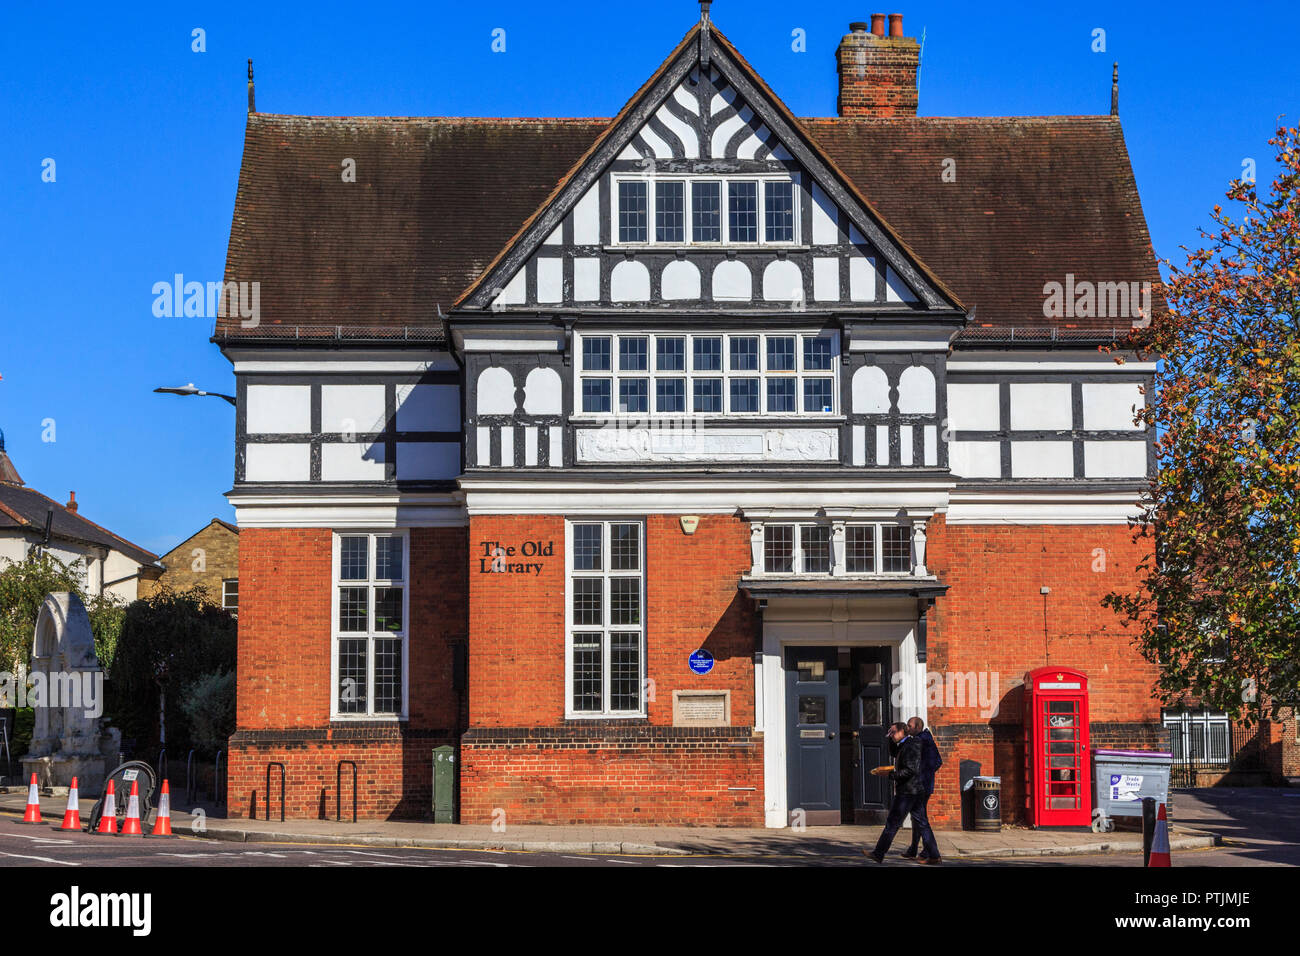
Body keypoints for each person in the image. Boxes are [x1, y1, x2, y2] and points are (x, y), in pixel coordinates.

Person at [865, 721, 941, 864]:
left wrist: (890, 775)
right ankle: (935, 855)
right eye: (890, 733)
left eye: (893, 732)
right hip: (914, 791)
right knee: (922, 823)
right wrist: (889, 738)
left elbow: (911, 770)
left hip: (908, 792)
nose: (891, 735)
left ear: (902, 732)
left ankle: (878, 853)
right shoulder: (905, 744)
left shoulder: (912, 745)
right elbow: (893, 751)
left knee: (892, 823)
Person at [901, 716, 943, 859]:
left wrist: (921, 775)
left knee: (920, 818)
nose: (907, 728)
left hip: (921, 786)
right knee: (917, 817)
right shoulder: (924, 739)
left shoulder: (922, 740)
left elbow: (936, 762)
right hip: (924, 784)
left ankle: (927, 850)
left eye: (910, 726)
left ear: (918, 727)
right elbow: (937, 761)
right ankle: (915, 849)